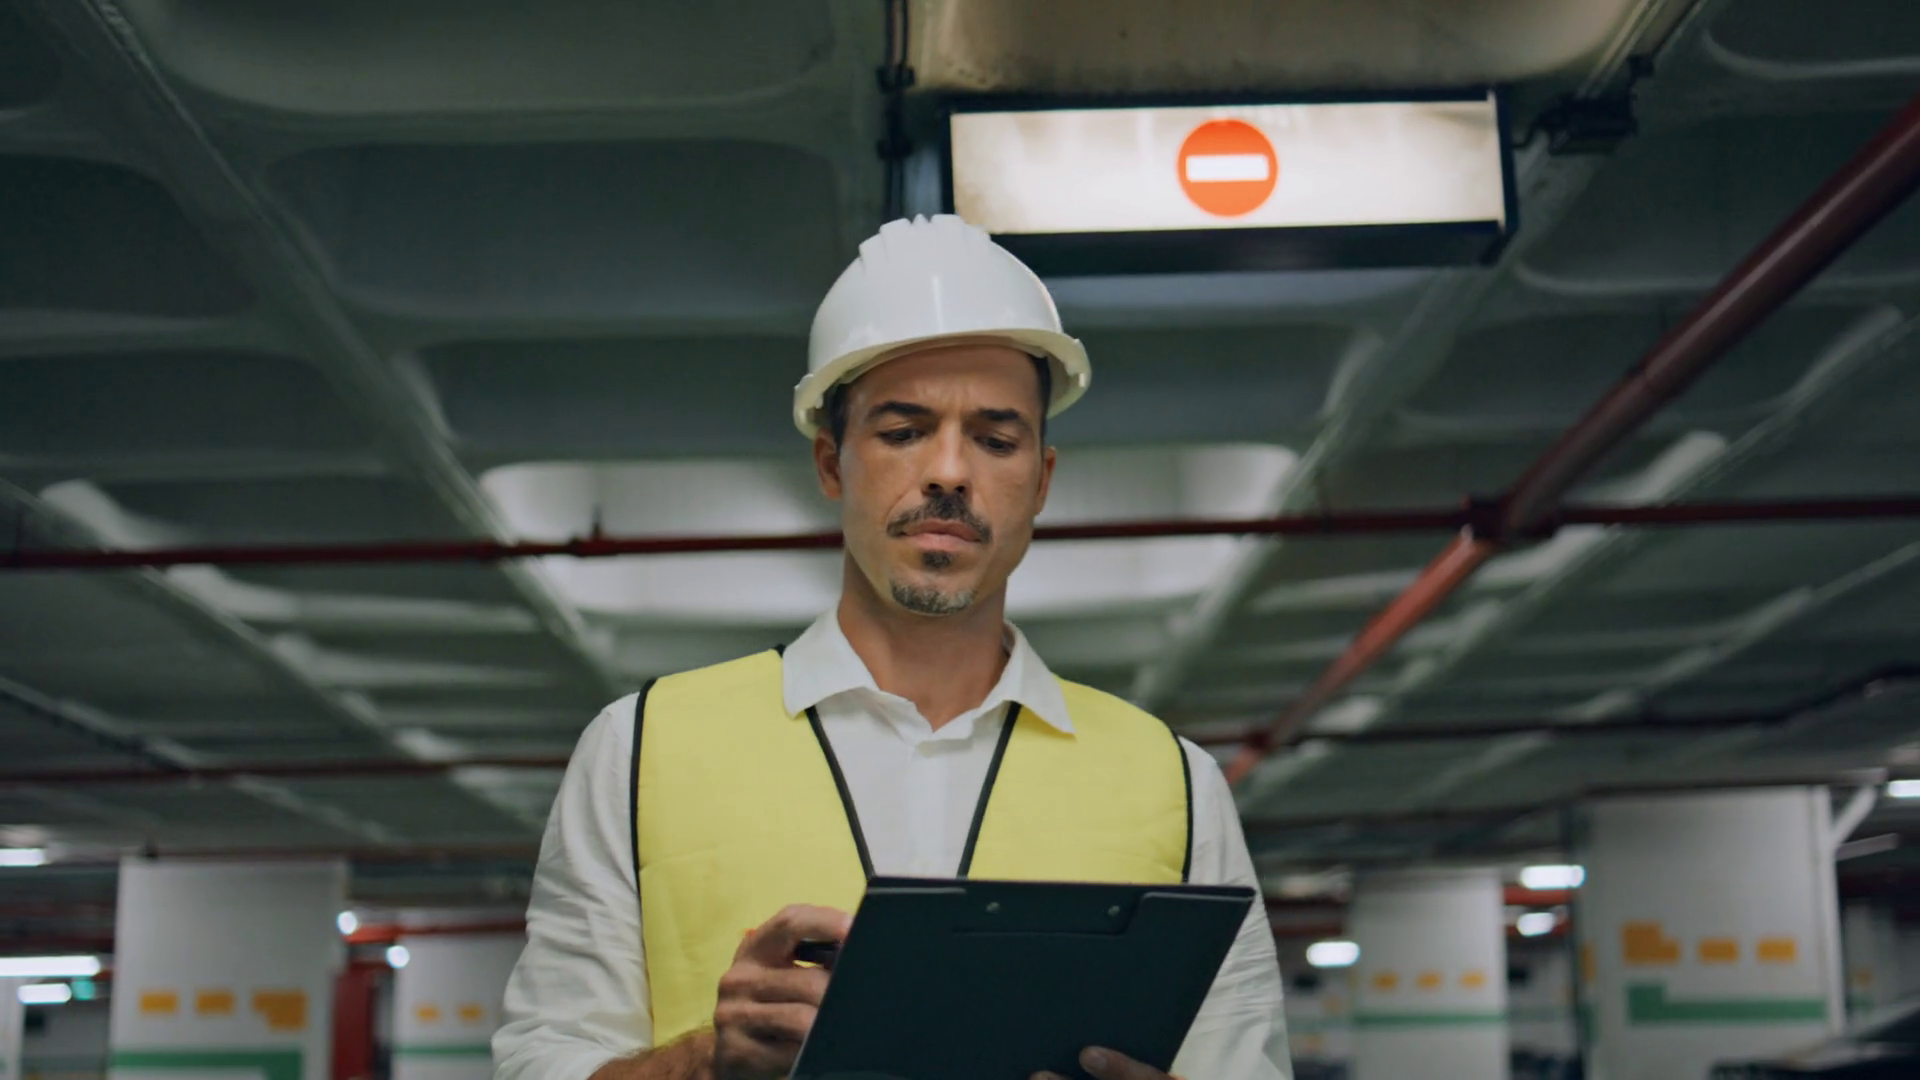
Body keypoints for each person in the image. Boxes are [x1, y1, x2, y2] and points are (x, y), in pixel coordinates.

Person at [493, 215, 1290, 1080]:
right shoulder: (641, 749)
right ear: (832, 465)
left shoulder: (1174, 782)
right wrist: (702, 1066)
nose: (950, 473)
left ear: (1041, 481)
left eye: (995, 438)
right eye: (904, 431)